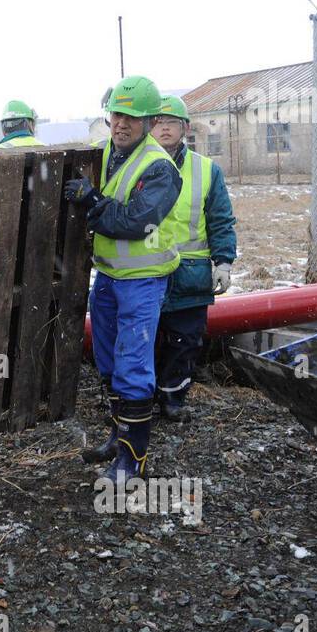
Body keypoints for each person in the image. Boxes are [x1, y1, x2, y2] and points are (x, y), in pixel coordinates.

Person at [66, 75, 182, 483]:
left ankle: (134, 459)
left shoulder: (159, 167)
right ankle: (118, 437)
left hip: (143, 281)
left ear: (150, 121)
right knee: (110, 362)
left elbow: (137, 220)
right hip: (111, 278)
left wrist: (92, 201)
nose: (121, 123)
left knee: (133, 365)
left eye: (131, 117)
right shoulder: (107, 153)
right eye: (117, 113)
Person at [149, 95, 237, 422]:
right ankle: (139, 402)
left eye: (171, 123)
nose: (165, 129)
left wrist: (223, 262)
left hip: (190, 275)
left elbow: (220, 220)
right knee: (143, 339)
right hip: (146, 272)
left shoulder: (206, 170)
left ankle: (172, 399)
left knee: (185, 341)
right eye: (158, 122)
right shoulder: (135, 165)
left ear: (184, 127)